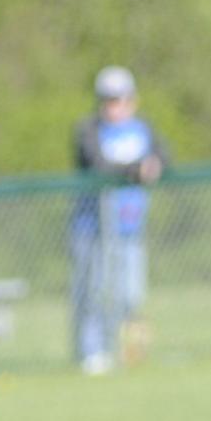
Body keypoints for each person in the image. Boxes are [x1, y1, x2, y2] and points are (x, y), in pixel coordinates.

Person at [69, 66, 168, 376]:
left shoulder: (144, 128)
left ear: (132, 99)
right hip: (92, 227)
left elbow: (164, 156)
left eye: (119, 98)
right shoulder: (88, 129)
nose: (114, 106)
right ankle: (92, 352)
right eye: (108, 99)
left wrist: (153, 165)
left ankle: (126, 352)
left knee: (130, 294)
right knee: (93, 291)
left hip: (129, 228)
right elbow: (96, 163)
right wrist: (135, 170)